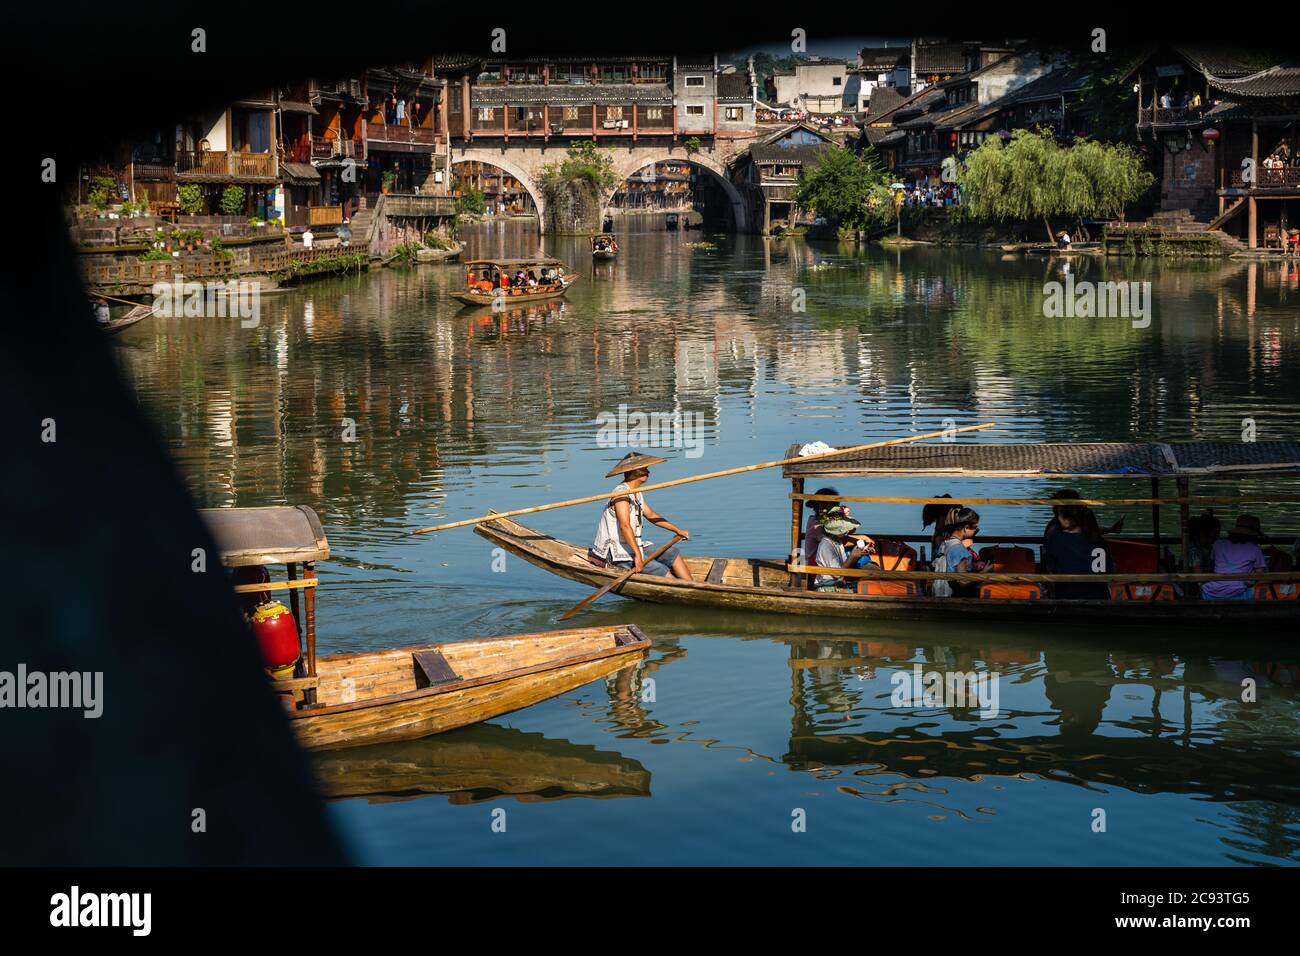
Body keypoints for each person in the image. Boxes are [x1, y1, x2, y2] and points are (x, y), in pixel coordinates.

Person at [590, 452, 694, 580]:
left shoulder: (635, 492)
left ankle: (696, 587)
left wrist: (677, 530)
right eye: (645, 469)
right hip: (616, 551)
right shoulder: (621, 494)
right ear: (636, 472)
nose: (648, 472)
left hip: (633, 545)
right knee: (659, 569)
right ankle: (681, 590)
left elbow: (651, 515)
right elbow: (625, 526)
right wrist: (638, 556)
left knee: (673, 553)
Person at [1044, 505, 1111, 599]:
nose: (1057, 518)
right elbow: (1109, 570)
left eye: (1058, 515)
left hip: (1068, 597)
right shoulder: (1098, 540)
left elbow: (1051, 570)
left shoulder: (1057, 539)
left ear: (1067, 520)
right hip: (1101, 597)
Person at [1202, 514, 1268, 601]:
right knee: (1263, 588)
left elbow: (1213, 565)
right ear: (1254, 535)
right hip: (1239, 594)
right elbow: (1261, 576)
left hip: (1210, 593)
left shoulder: (1218, 544)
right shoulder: (1254, 549)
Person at [812, 515, 874, 592]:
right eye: (845, 530)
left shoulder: (837, 542)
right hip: (826, 587)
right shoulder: (826, 546)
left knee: (868, 585)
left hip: (837, 584)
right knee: (865, 589)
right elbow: (837, 573)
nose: (847, 532)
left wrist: (860, 554)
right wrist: (852, 556)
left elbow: (844, 567)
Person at [933, 508, 985, 597]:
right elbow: (963, 582)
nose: (976, 531)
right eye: (975, 528)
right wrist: (984, 573)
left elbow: (952, 567)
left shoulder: (946, 543)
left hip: (945, 588)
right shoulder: (960, 550)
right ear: (966, 528)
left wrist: (973, 566)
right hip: (957, 594)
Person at [1044, 489, 1123, 541]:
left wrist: (1111, 529)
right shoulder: (1054, 529)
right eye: (1077, 504)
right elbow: (1088, 532)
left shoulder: (1075, 525)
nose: (1079, 507)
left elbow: (1089, 531)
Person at [803, 487, 841, 565]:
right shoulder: (816, 525)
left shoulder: (819, 520)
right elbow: (833, 542)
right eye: (834, 505)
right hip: (816, 564)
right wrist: (860, 538)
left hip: (824, 559)